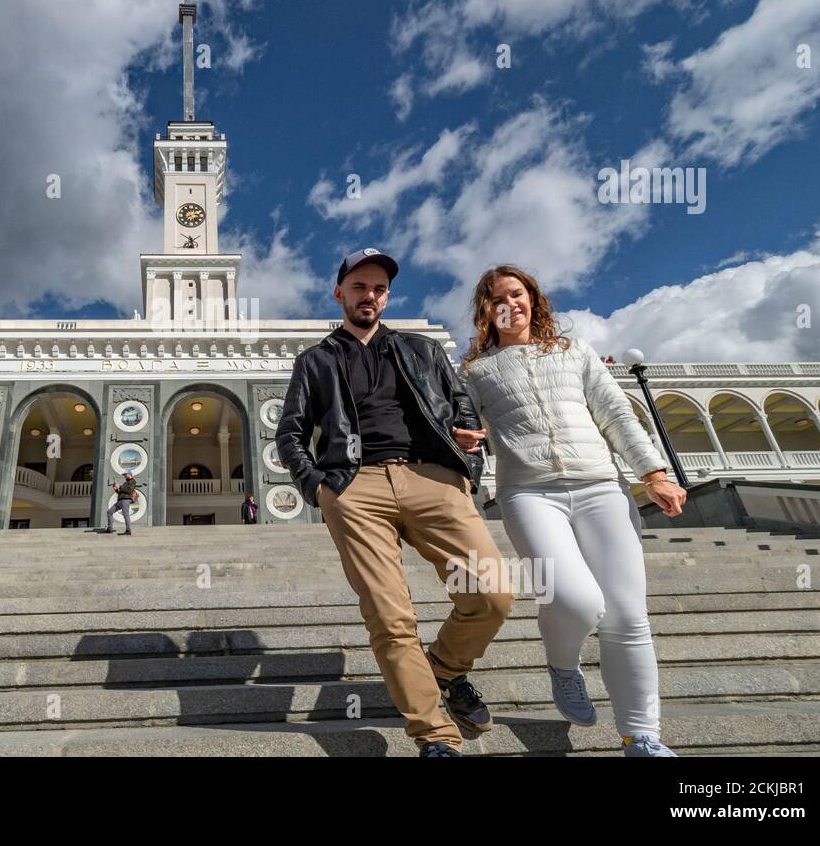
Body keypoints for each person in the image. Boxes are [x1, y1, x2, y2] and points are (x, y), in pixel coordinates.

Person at [277, 248, 513, 757]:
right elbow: (290, 432)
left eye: (379, 288)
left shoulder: (420, 349)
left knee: (491, 591)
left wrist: (465, 461)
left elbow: (460, 404)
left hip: (431, 480)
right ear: (340, 293)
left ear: (387, 295)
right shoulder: (316, 361)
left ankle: (445, 671)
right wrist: (318, 486)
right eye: (359, 286)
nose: (370, 296)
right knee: (390, 616)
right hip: (355, 486)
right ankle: (435, 736)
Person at [460, 264, 687, 757]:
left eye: (518, 294)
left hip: (602, 486)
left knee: (627, 616)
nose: (510, 304)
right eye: (498, 298)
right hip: (529, 494)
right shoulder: (475, 372)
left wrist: (653, 471)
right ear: (485, 310)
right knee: (575, 600)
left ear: (532, 299)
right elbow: (459, 423)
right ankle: (563, 666)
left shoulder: (574, 351)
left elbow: (615, 413)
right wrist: (460, 438)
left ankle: (641, 736)